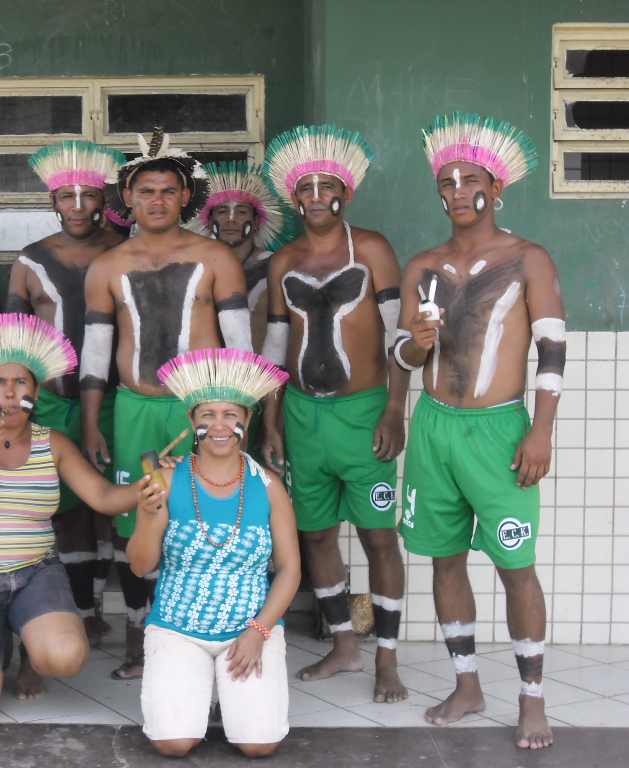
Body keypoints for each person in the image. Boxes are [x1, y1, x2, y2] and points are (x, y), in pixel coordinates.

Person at [396, 112, 562, 750]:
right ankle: (467, 684)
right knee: (444, 558)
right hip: (436, 428)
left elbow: (552, 350)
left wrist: (539, 430)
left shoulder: (527, 259)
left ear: (498, 188)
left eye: (470, 180)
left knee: (515, 566)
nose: (458, 191)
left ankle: (532, 697)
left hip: (499, 430)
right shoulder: (423, 266)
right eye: (448, 182)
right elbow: (405, 358)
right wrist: (417, 345)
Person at [81, 128, 253, 680]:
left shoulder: (216, 257)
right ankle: (140, 638)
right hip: (134, 408)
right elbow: (96, 354)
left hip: (200, 412)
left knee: (200, 519)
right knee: (134, 523)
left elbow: (242, 352)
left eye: (168, 191)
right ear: (126, 199)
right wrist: (91, 422)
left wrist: (245, 420)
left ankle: (204, 634)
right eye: (146, 191)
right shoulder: (107, 266)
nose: (157, 200)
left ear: (186, 198)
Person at [0, 313, 148, 722]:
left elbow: (104, 496)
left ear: (36, 391)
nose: (9, 394)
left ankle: (28, 652)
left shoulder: (52, 442)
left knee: (64, 658)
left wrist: (151, 485)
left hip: (34, 574)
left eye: (19, 383)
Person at [259, 125, 409, 702]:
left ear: (345, 192)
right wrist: (272, 422)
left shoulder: (370, 249)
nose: (317, 196)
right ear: (293, 198)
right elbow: (275, 349)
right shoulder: (284, 263)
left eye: (328, 186)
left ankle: (386, 658)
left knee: (377, 538)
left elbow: (399, 338)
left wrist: (395, 410)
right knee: (316, 534)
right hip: (302, 416)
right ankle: (344, 645)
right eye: (306, 188)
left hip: (364, 411)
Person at [129, 348, 299, 758]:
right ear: (191, 422)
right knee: (173, 743)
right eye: (207, 415)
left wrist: (259, 632)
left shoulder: (270, 487)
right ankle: (200, 688)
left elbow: (291, 569)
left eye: (230, 415)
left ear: (246, 420)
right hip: (177, 627)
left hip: (249, 629)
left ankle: (223, 694)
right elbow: (140, 565)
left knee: (258, 745)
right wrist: (150, 516)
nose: (219, 425)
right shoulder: (164, 480)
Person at [6, 140, 126, 648]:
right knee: (68, 507)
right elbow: (12, 336)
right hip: (53, 403)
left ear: (104, 200)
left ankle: (110, 603)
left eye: (88, 195)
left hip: (120, 400)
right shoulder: (29, 262)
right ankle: (82, 607)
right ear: (52, 202)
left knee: (113, 506)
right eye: (66, 196)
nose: (78, 205)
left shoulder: (124, 254)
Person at [186, 161, 294, 354]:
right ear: (209, 221)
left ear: (256, 221)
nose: (231, 219)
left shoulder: (275, 266)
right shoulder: (196, 269)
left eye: (242, 212)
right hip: (208, 375)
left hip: (263, 375)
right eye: (222, 211)